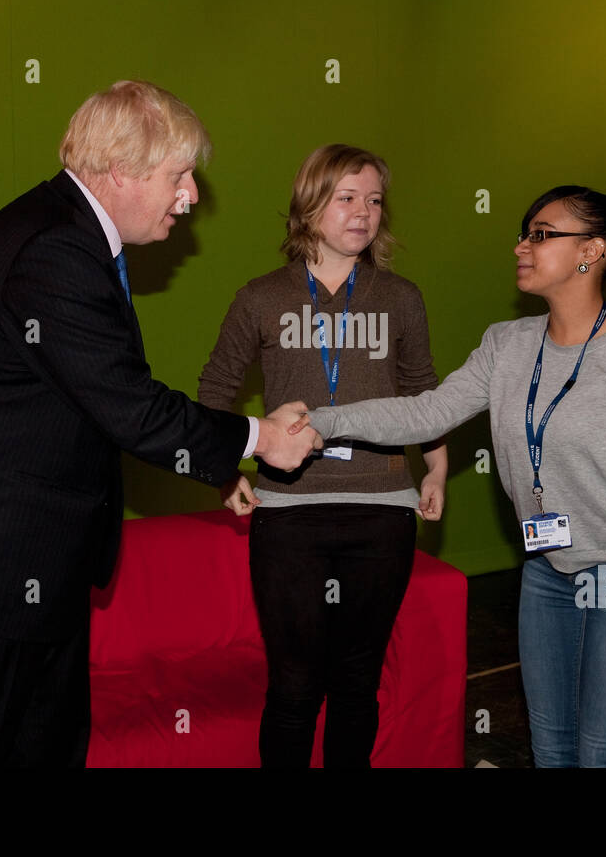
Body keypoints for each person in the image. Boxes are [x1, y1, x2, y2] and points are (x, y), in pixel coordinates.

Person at [0, 80, 320, 767]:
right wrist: (260, 439)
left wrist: (218, 463)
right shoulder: (52, 251)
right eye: (179, 176)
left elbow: (86, 407)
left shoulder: (67, 236)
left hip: (27, 575)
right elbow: (128, 405)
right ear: (120, 172)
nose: (191, 195)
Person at [290, 179, 606, 767]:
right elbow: (426, 411)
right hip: (548, 574)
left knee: (603, 754)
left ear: (592, 251)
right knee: (551, 749)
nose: (521, 246)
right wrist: (320, 421)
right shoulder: (507, 345)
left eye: (541, 235)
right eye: (524, 233)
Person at [197, 144, 447, 768]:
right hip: (288, 514)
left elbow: (424, 393)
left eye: (375, 200)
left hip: (383, 508)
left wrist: (438, 466)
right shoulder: (259, 297)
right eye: (347, 197)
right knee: (294, 684)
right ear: (309, 206)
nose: (364, 212)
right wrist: (223, 472)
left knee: (358, 682)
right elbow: (214, 393)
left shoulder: (400, 297)